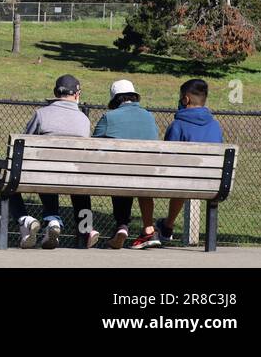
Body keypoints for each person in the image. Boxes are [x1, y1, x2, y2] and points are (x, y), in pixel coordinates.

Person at [9, 75, 99, 249]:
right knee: (80, 188)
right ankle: (85, 228)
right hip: (75, 177)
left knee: (12, 179)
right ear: (77, 94)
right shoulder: (84, 120)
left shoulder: (41, 114)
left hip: (44, 176)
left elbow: (24, 146)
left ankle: (32, 220)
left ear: (55, 92)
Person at [94, 78, 161, 249]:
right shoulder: (149, 117)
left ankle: (122, 225)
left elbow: (93, 148)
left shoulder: (109, 117)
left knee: (119, 173)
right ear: (134, 96)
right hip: (148, 174)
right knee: (137, 176)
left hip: (119, 175)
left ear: (115, 99)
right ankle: (148, 228)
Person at [156, 79, 224, 244]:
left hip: (182, 181)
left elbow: (167, 159)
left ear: (185, 99)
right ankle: (168, 226)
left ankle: (167, 226)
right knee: (185, 181)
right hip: (212, 183)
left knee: (182, 182)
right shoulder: (215, 126)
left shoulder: (178, 125)